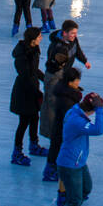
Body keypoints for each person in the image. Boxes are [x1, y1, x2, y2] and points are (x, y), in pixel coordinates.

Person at [56, 91, 103, 206]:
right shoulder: (77, 120)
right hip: (70, 165)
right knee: (74, 200)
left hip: (78, 162)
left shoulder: (76, 110)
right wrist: (100, 110)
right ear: (91, 108)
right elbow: (98, 130)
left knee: (86, 189)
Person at [9, 26, 47, 166]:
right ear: (33, 39)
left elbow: (34, 70)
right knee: (24, 122)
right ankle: (17, 152)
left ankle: (34, 145)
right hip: (24, 92)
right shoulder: (22, 55)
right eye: (39, 37)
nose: (41, 38)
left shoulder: (34, 50)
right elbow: (26, 76)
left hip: (32, 89)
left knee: (35, 118)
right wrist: (37, 92)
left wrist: (45, 80)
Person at [49, 66, 84, 205]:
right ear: (71, 82)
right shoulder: (68, 100)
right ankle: (63, 196)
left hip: (60, 132)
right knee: (66, 166)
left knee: (64, 163)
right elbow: (71, 119)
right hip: (65, 135)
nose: (79, 83)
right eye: (77, 80)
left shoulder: (65, 93)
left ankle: (62, 193)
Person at [39, 48, 69, 182]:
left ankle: (53, 167)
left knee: (56, 142)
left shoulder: (52, 71)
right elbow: (53, 98)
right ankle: (51, 169)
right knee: (56, 142)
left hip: (52, 112)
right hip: (54, 114)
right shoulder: (55, 77)